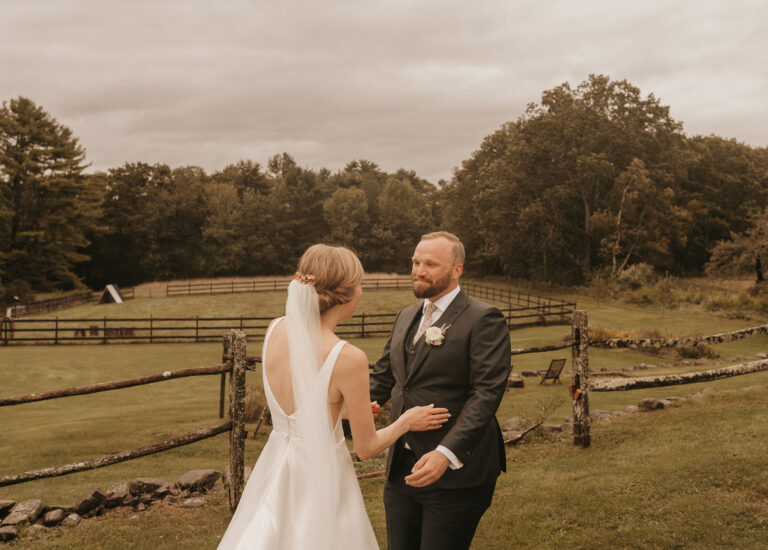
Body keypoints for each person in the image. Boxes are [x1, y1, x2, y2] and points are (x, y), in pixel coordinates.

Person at [217, 244, 450, 550]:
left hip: (276, 464)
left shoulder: (277, 329)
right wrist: (406, 421)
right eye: (360, 284)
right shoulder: (347, 357)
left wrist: (344, 411)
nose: (362, 292)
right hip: (320, 474)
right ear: (346, 293)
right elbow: (366, 448)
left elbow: (297, 403)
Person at [370, 231, 511, 550]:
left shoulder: (483, 318)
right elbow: (384, 377)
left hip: (456, 474)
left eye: (430, 264)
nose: (419, 271)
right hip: (401, 470)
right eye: (416, 262)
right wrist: (361, 407)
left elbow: (486, 394)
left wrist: (446, 453)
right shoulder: (405, 316)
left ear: (457, 270)